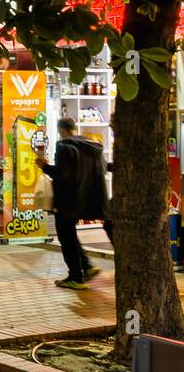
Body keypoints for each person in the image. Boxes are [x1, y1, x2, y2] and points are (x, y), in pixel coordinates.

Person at [38, 116, 109, 289]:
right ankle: (86, 266)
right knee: (70, 237)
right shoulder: (92, 145)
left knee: (66, 237)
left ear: (61, 130)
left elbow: (63, 173)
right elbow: (104, 168)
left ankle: (75, 277)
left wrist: (44, 166)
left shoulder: (63, 146)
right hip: (88, 199)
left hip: (68, 200)